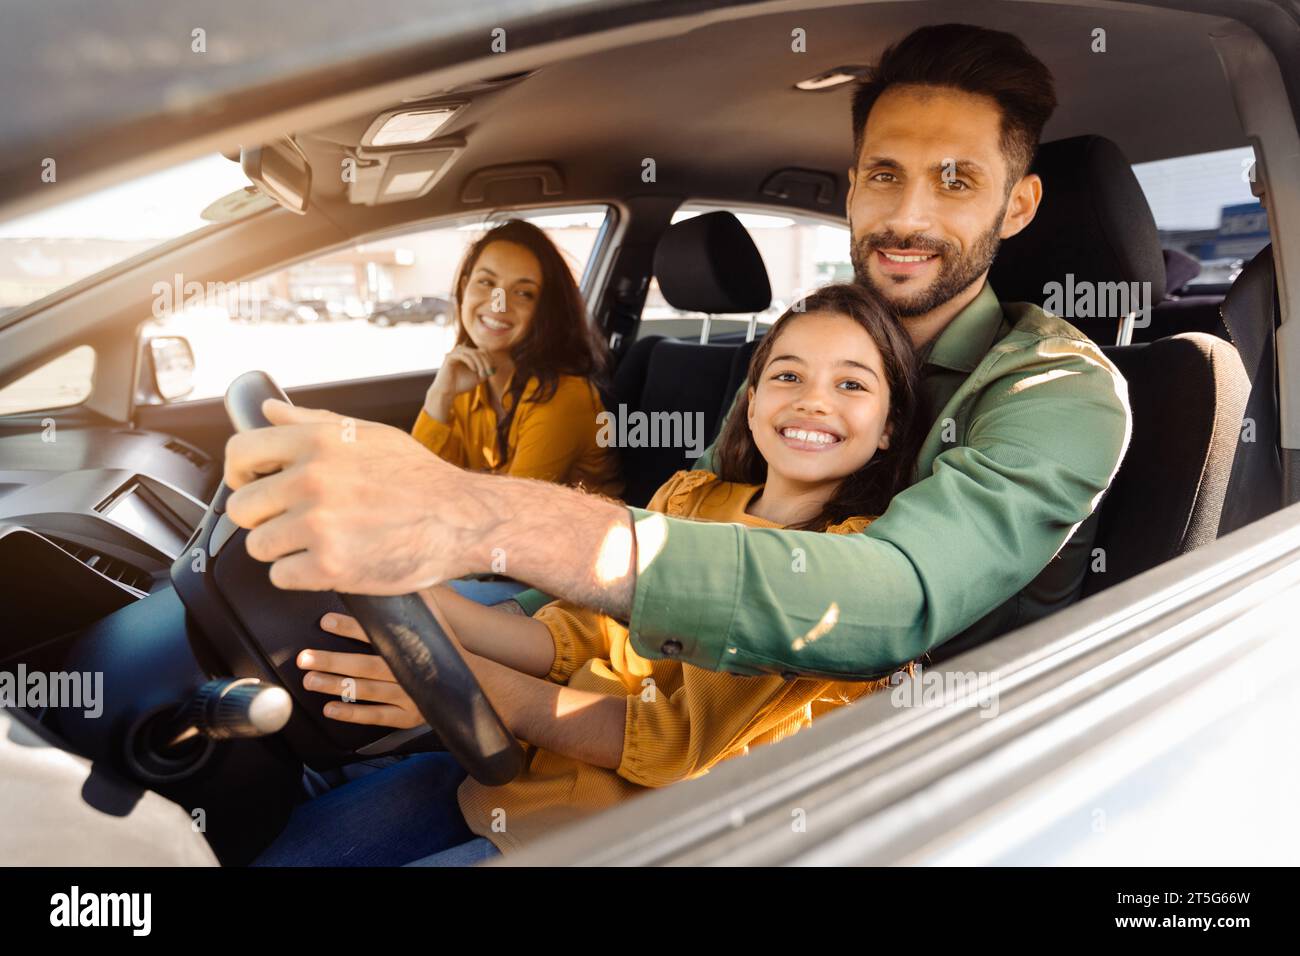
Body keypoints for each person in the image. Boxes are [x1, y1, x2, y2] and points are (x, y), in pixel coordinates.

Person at [224, 22, 1131, 690]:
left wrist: (480, 518)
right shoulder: (796, 359)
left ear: (1016, 209)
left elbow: (887, 599)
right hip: (674, 689)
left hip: (867, 767)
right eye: (885, 174)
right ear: (853, 186)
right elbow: (700, 533)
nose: (908, 217)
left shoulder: (1060, 391)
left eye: (958, 181)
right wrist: (491, 644)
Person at [254, 284, 923, 865]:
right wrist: (438, 611)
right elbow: (580, 633)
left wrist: (466, 681)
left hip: (630, 834)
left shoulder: (846, 567)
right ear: (749, 403)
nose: (812, 401)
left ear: (889, 426)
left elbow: (671, 744)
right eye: (787, 376)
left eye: (852, 384)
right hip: (514, 774)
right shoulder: (692, 500)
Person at [412, 218, 623, 499]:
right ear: (464, 288)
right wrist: (439, 395)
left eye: (523, 293)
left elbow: (510, 513)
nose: (498, 302)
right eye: (486, 282)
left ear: (544, 310)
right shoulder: (465, 385)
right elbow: (418, 487)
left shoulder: (564, 397)